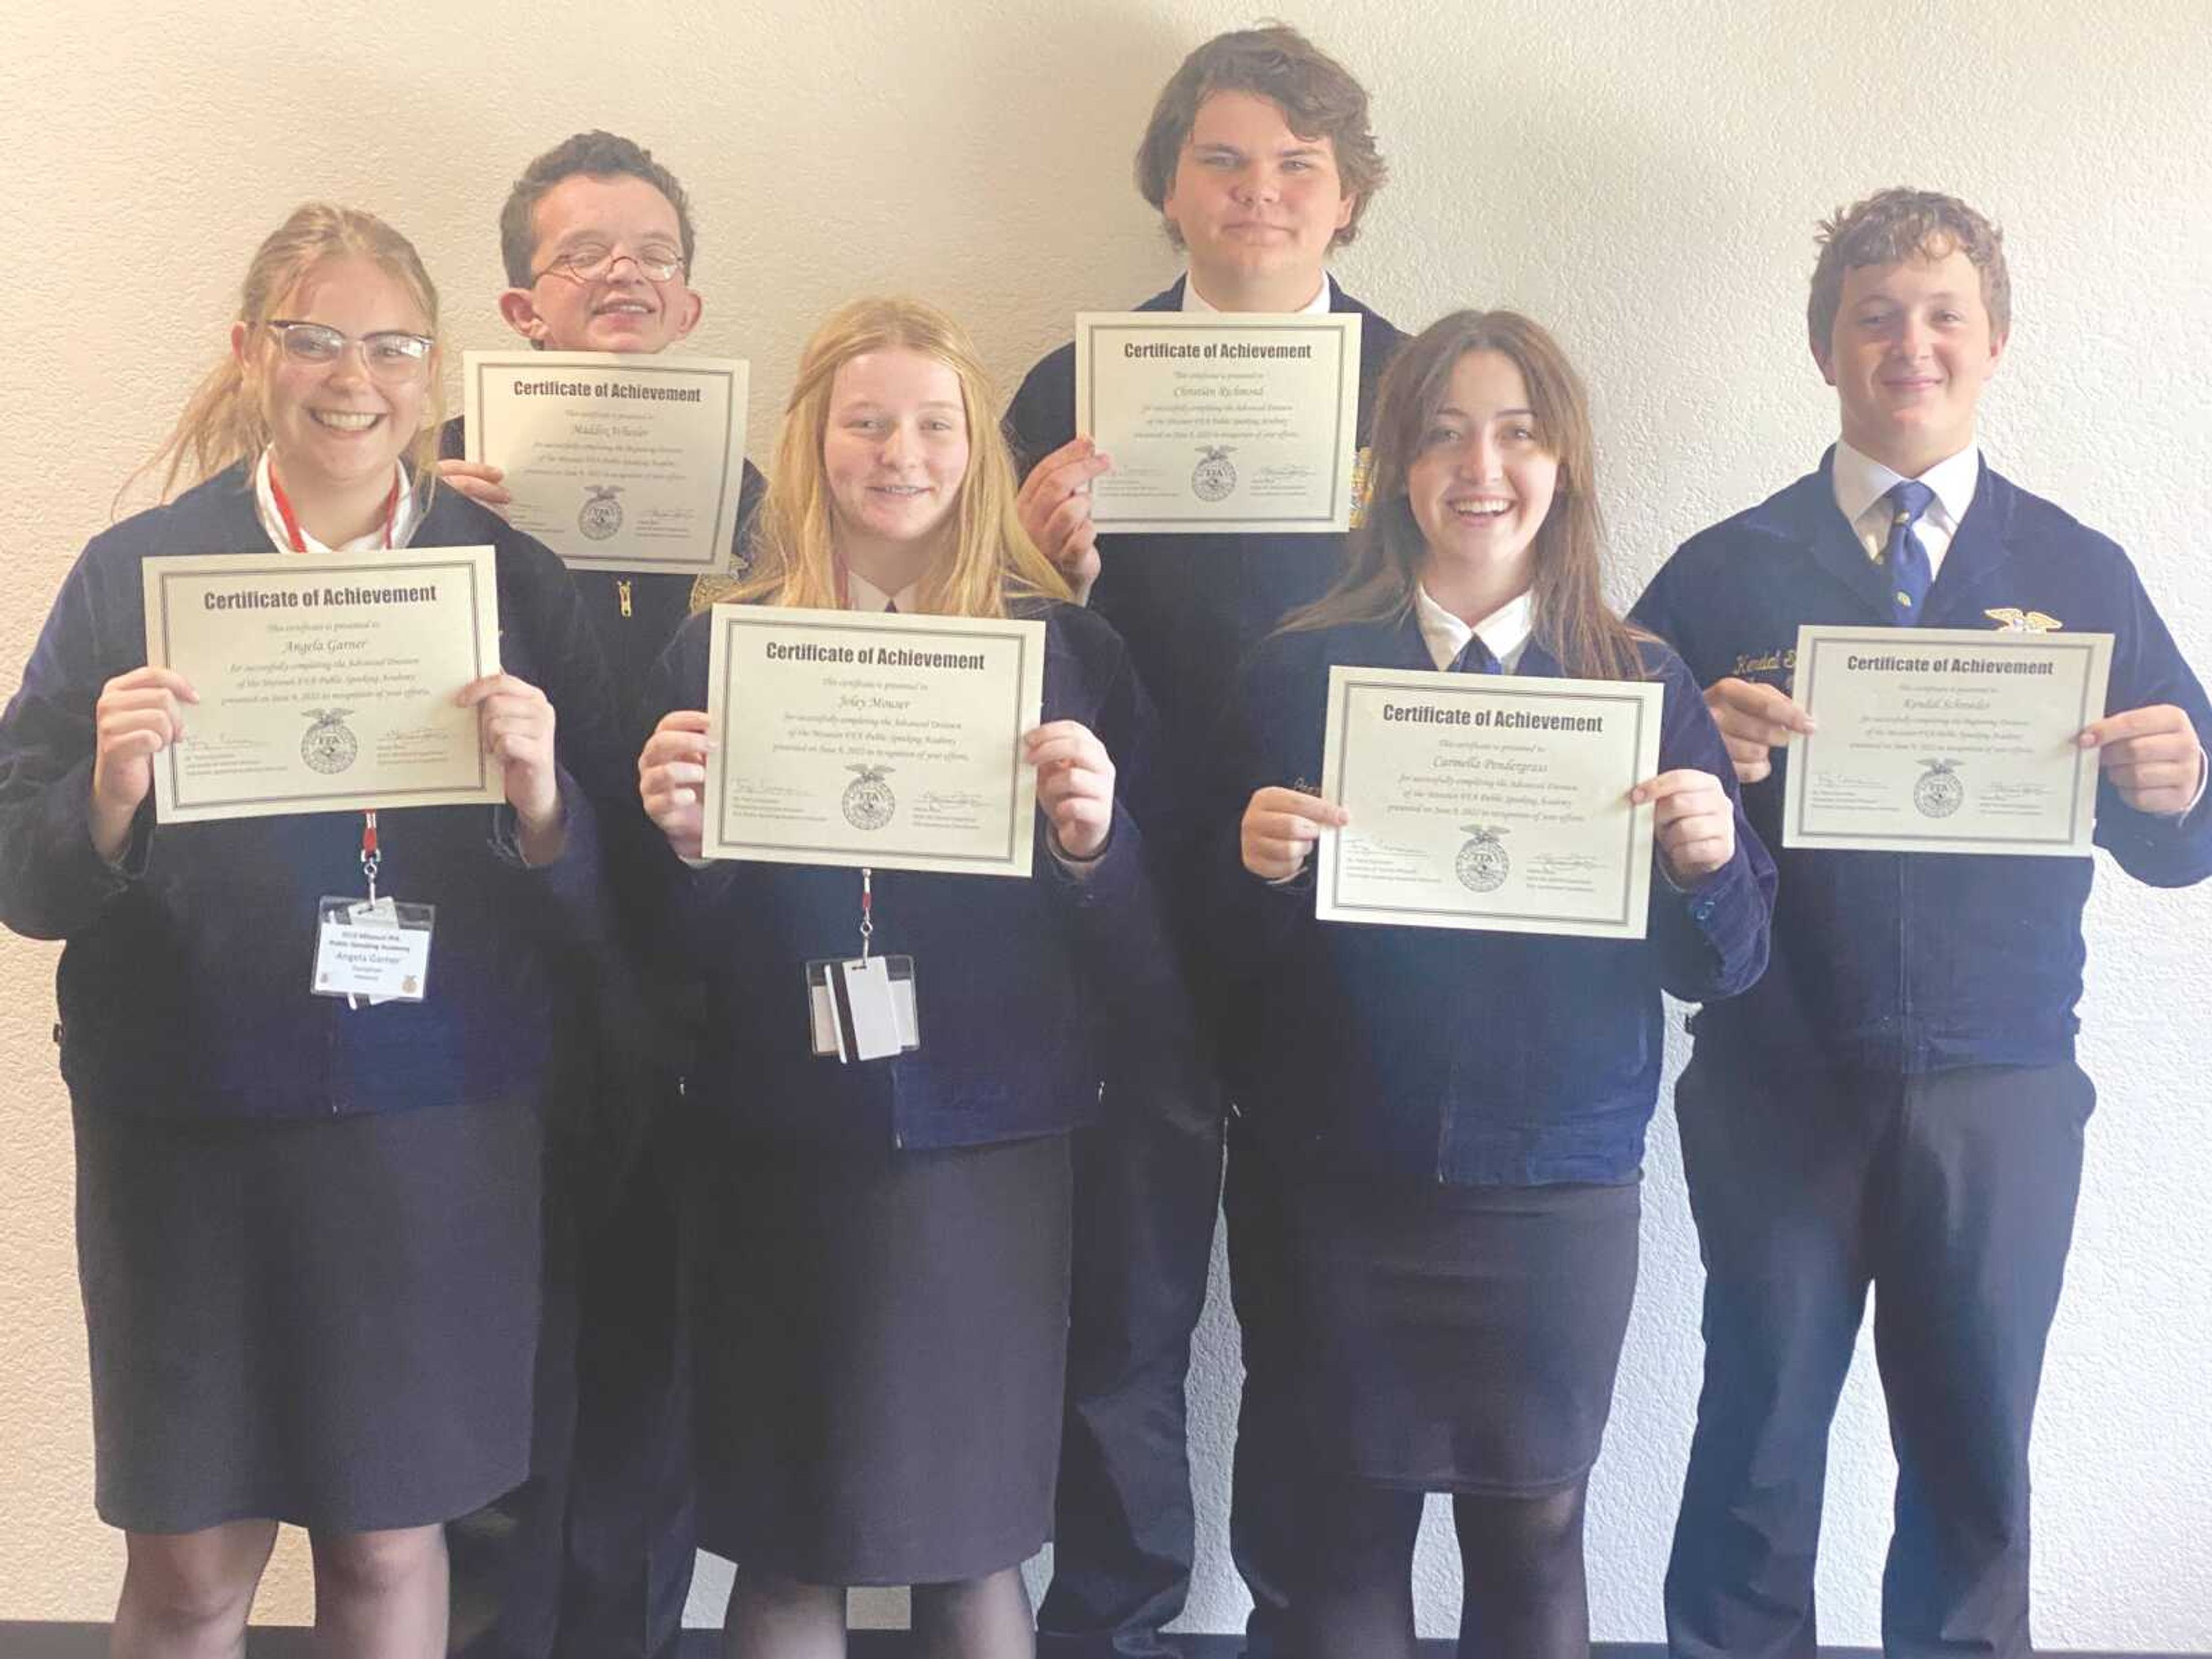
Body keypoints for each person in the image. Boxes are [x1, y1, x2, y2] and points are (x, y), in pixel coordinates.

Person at [0, 203, 620, 1658]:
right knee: (191, 1570)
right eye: (318, 337)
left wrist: (544, 804)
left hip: (435, 1129)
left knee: (388, 1555)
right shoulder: (136, 571)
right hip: (191, 1129)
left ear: (435, 365)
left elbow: (619, 913)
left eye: (396, 344)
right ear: (249, 353)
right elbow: (21, 878)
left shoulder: (519, 583)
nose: (359, 375)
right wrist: (108, 791)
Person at [1631, 187, 2212, 1658]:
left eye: (1943, 313)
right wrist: (1710, 764)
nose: (1911, 343)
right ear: (1823, 345)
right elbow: (1616, 845)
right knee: (1756, 1440)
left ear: (1996, 341)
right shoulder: (1718, 573)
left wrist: (2179, 778)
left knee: (1972, 1454)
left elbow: (2185, 840)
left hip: (2004, 1087)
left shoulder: (2079, 569)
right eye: (1876, 314)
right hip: (1779, 1077)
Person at [1217, 309, 1774, 1658]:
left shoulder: (1638, 678)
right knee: (1337, 1531)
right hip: (1335, 1179)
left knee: (1534, 1533)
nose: (1483, 465)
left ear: (1565, 465)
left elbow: (1732, 967)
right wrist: (1255, 873)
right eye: (1444, 432)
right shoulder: (1302, 668)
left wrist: (1709, 860)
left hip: (1555, 1186)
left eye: (1519, 433)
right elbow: (1215, 974)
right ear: (1395, 470)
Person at [637, 297, 1175, 1659]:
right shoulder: (718, 650)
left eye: (936, 423)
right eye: (865, 422)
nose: (900, 451)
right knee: (789, 1541)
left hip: (992, 1153)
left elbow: (1152, 962)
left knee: (975, 1543)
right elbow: (653, 963)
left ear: (979, 454)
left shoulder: (1072, 656)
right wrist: (689, 857)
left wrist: (1094, 847)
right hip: (779, 1141)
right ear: (812, 445)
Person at [1001, 29, 1403, 1654]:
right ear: (1167, 188)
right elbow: (988, 663)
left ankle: (1309, 1617)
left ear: (1351, 198)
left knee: (1318, 1312)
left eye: (1299, 165)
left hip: (1341, 907)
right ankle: (1111, 1617)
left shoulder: (1422, 384)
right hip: (1128, 915)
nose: (1260, 193)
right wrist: (1044, 580)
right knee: (1127, 1312)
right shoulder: (1060, 389)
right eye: (1225, 160)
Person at [437, 130, 764, 1659]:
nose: (622, 277)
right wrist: (424, 550)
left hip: (693, 1011)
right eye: (583, 255)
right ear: (522, 308)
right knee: (488, 1400)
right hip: (487, 1013)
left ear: (691, 307)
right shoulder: (432, 494)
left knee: (656, 1394)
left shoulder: (772, 510)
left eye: (653, 254)